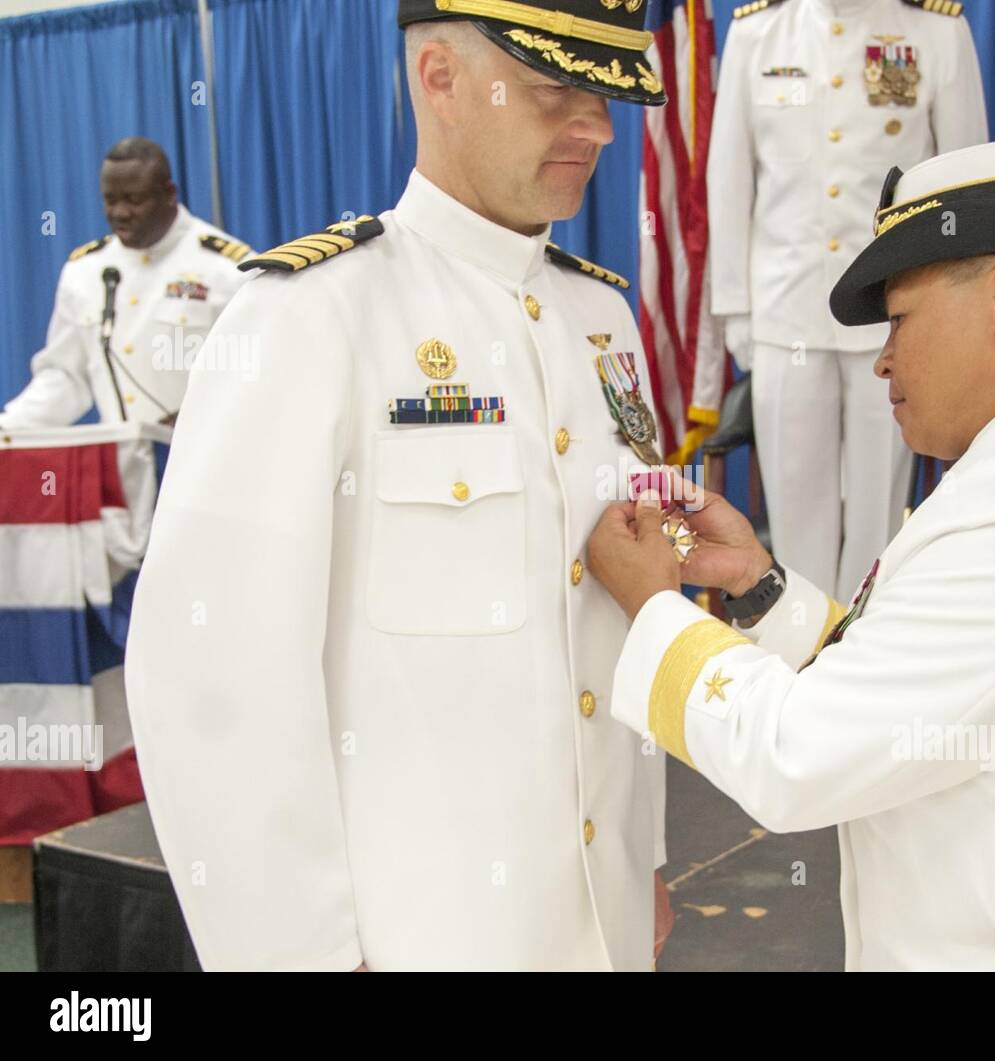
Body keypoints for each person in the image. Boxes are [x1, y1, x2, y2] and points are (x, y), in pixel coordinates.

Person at [588, 138, 995, 971]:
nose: (882, 359)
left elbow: (801, 755)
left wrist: (652, 608)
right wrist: (760, 588)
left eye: (899, 319)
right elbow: (922, 684)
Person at [125, 1, 671, 971]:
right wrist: (297, 953)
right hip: (423, 932)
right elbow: (211, 673)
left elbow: (625, 616)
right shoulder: (309, 315)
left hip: (603, 924)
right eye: (557, 88)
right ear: (440, 79)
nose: (595, 124)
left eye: (606, 93)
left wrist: (645, 856)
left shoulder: (603, 319)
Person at [709, 0, 987, 601]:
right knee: (794, 517)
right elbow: (729, 179)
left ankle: (869, 656)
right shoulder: (759, 33)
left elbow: (963, 191)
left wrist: (952, 313)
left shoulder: (937, 32)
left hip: (895, 319)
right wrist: (736, 309)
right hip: (787, 316)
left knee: (878, 521)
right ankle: (801, 661)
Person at [0, 138, 251, 430]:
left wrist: (197, 417)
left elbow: (252, 373)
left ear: (169, 194)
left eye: (134, 199)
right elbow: (66, 378)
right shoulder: (85, 271)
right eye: (110, 199)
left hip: (203, 456)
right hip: (120, 466)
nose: (119, 212)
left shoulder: (227, 269)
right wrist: (8, 430)